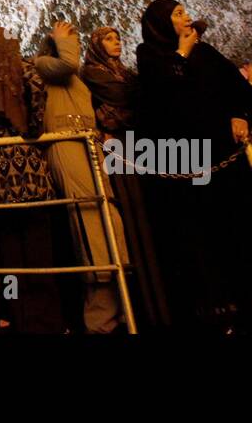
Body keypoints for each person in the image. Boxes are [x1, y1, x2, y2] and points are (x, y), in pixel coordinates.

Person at [137, 0, 252, 332]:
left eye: (184, 11)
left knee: (245, 223)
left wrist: (240, 113)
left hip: (225, 153)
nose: (187, 17)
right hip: (186, 158)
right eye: (178, 14)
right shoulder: (150, 56)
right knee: (204, 232)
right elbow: (159, 93)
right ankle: (218, 311)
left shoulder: (206, 54)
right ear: (162, 23)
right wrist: (181, 52)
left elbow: (240, 88)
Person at [34, 20, 128, 333]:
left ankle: (119, 301)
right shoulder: (45, 63)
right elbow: (67, 63)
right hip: (63, 141)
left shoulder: (74, 74)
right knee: (88, 218)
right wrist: (61, 40)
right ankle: (98, 316)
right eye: (66, 35)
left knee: (109, 215)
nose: (72, 38)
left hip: (89, 142)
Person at [0, 27, 65, 333]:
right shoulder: (26, 70)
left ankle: (18, 312)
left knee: (10, 251)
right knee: (39, 246)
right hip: (27, 166)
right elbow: (38, 103)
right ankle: (47, 317)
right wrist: (32, 135)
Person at [80, 27, 171, 330]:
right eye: (109, 38)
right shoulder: (93, 72)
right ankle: (139, 304)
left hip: (137, 145)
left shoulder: (124, 72)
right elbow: (123, 95)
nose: (116, 42)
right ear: (96, 45)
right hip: (118, 150)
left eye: (118, 38)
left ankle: (159, 303)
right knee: (132, 221)